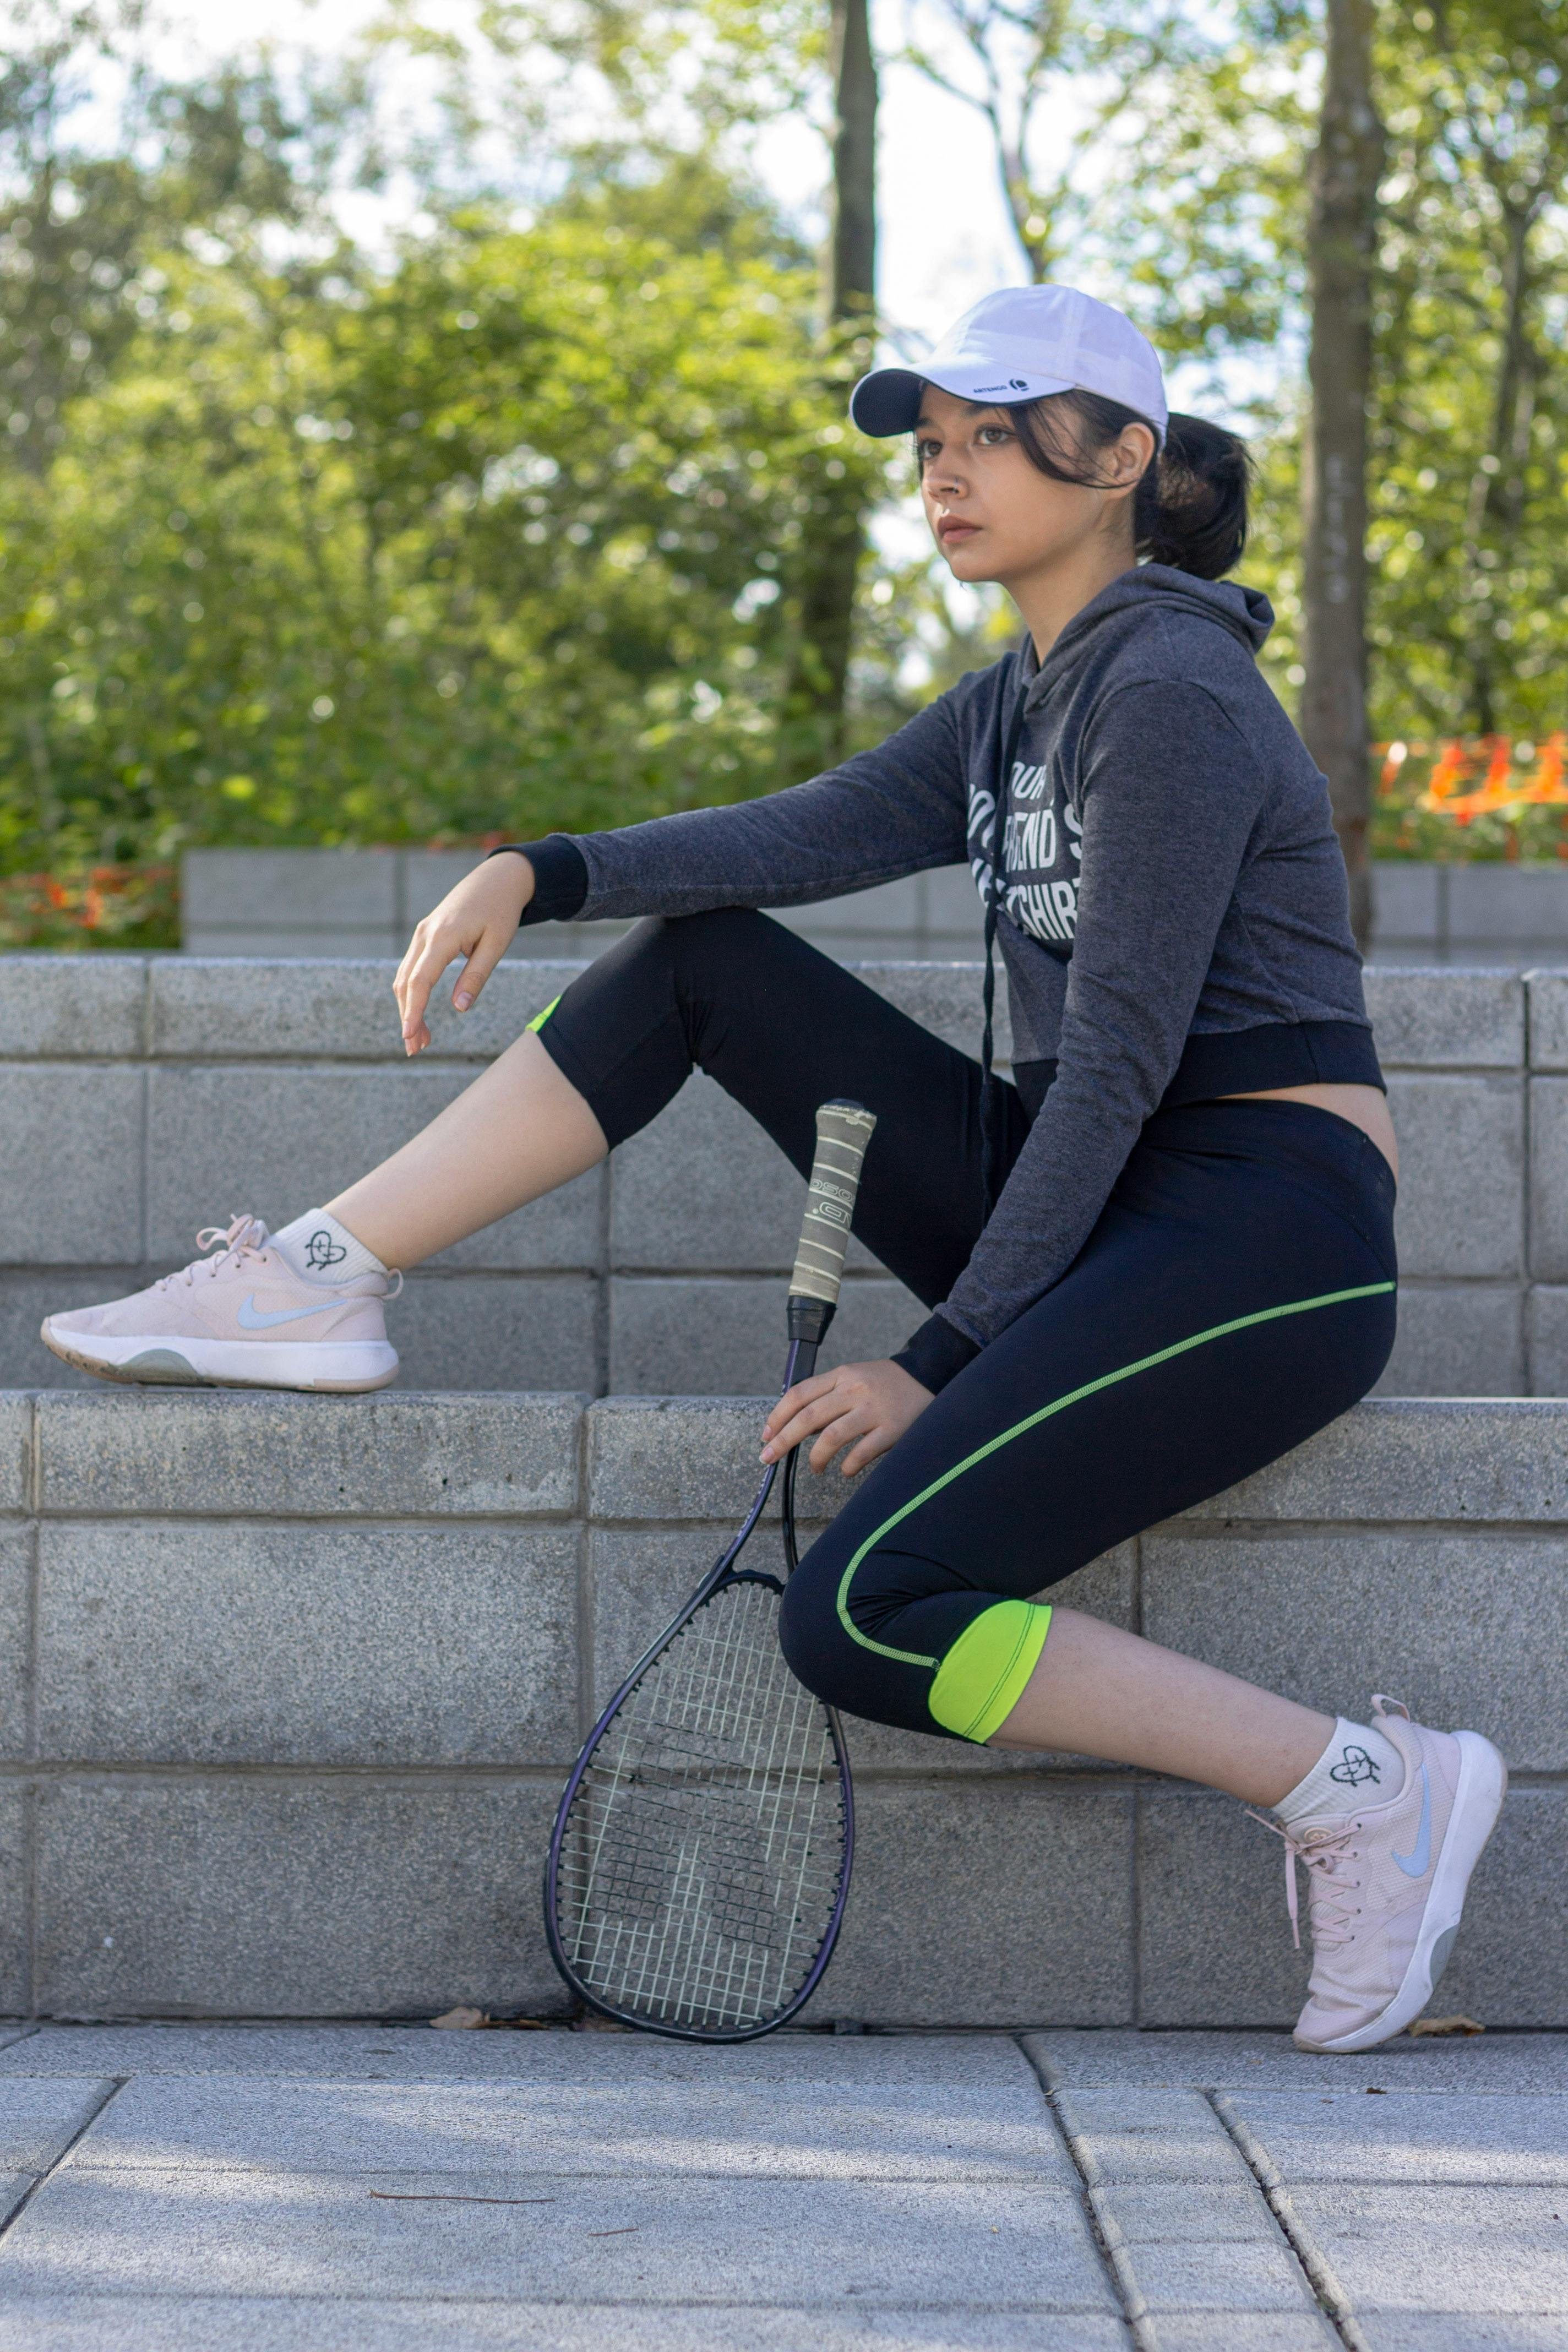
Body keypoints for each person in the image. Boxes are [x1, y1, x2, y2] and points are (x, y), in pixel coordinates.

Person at [43, 284, 1504, 2055]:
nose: (946, 478)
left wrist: (939, 1359)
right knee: (707, 958)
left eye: (995, 436)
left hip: (1265, 1236)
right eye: (936, 445)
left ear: (1124, 457)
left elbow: (1120, 1067)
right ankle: (322, 1278)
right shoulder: (1010, 704)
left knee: (868, 1613)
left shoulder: (1175, 683)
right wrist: (544, 865)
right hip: (1108, 1192)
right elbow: (806, 833)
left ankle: (1362, 1789)